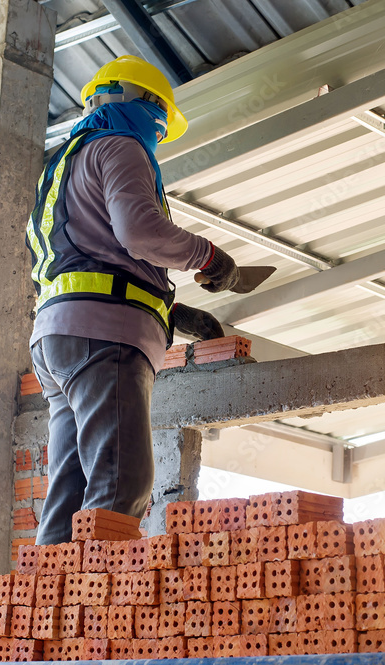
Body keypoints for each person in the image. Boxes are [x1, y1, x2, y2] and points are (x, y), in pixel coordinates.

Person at [25, 56, 240, 545]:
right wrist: (206, 256)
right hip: (105, 339)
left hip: (59, 338)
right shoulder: (120, 146)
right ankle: (94, 612)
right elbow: (139, 233)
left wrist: (171, 312)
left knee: (70, 492)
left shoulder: (65, 163)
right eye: (161, 123)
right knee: (124, 483)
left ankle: (43, 612)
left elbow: (94, 259)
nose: (158, 137)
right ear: (144, 106)